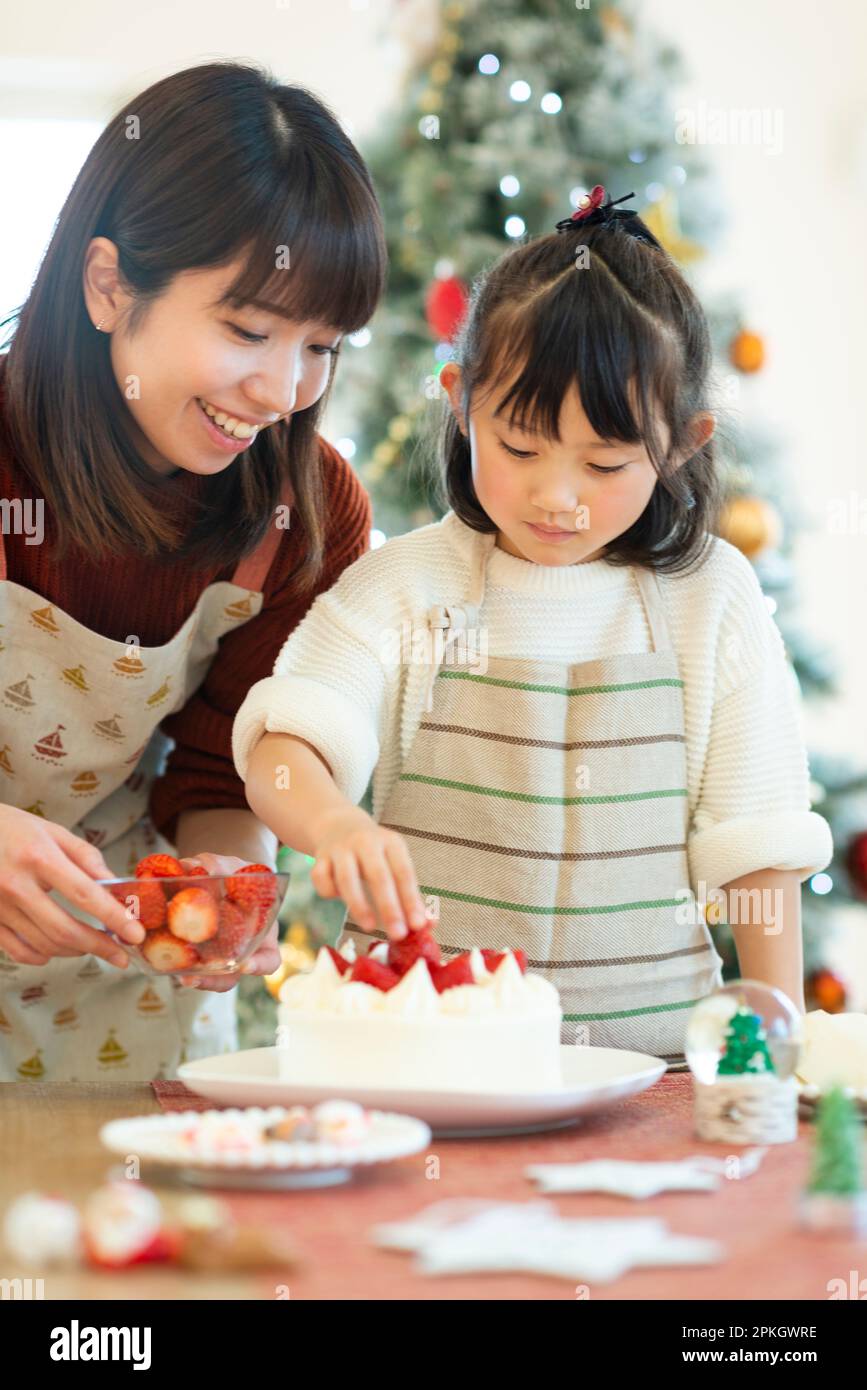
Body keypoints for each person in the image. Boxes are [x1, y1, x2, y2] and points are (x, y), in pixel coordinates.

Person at [233, 187, 832, 1066]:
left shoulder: (712, 596)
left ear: (682, 443)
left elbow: (759, 847)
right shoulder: (410, 583)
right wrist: (334, 824)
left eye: (604, 462)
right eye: (517, 448)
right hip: (427, 1068)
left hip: (653, 1075)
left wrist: (778, 1040)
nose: (557, 497)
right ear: (459, 401)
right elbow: (285, 741)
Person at [0, 61, 386, 1081]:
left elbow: (220, 771)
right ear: (108, 284)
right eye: (249, 330)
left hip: (118, 998)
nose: (283, 391)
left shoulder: (306, 514)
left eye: (322, 347)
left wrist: (231, 882)